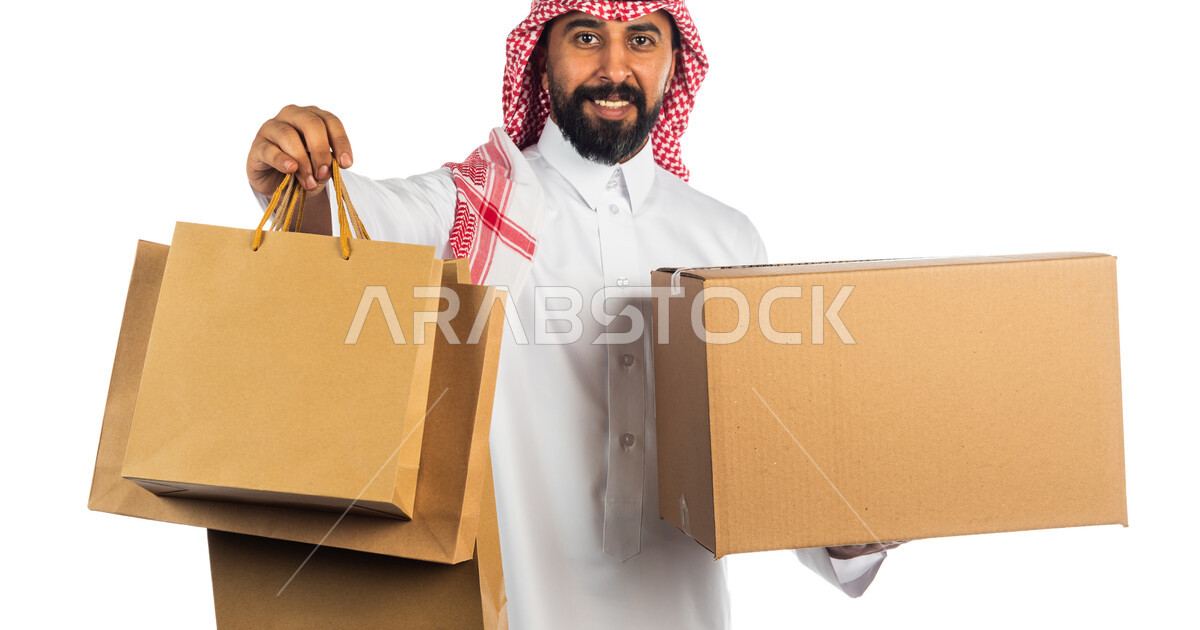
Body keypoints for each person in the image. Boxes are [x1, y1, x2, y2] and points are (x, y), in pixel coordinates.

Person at [246, 1, 901, 627]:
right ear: (541, 58)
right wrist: (299, 178)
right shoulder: (470, 209)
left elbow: (765, 460)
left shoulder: (726, 240)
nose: (614, 68)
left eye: (641, 40)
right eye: (587, 37)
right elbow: (345, 239)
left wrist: (853, 530)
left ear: (675, 63)